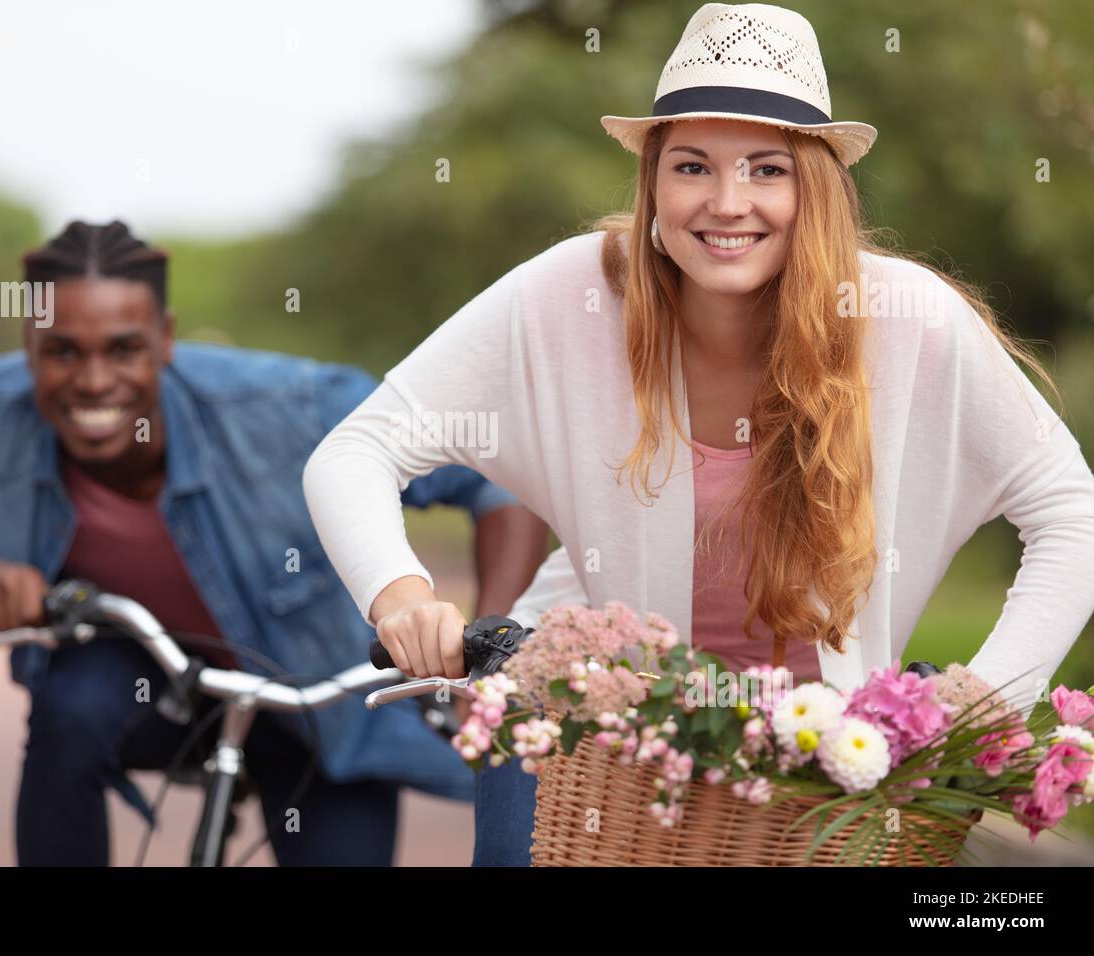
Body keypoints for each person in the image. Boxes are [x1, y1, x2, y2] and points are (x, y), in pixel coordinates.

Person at [301, 2, 1094, 866]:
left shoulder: (905, 319)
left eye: (766, 169)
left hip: (824, 751)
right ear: (653, 181)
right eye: (692, 166)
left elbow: (1072, 511)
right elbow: (356, 450)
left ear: (816, 186)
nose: (727, 203)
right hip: (585, 728)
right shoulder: (571, 296)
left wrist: (988, 700)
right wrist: (401, 594)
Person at [0, 220, 550, 866]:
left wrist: (488, 656)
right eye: (62, 352)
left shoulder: (290, 408)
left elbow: (500, 488)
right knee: (69, 708)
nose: (94, 381)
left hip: (314, 698)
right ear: (27, 349)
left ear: (165, 338)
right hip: (146, 687)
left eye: (123, 348)